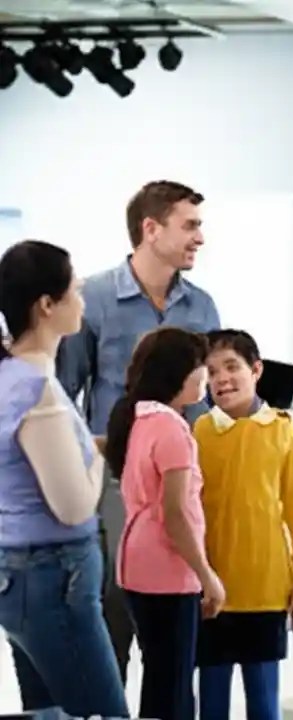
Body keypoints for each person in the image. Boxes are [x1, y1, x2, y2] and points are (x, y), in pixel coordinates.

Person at [56, 180, 221, 684]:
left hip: (181, 479)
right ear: (151, 229)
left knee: (173, 633)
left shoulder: (203, 307)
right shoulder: (94, 298)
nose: (200, 237)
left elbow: (208, 402)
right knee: (113, 615)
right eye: (189, 225)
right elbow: (64, 393)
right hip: (114, 483)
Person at [0, 240, 130, 717]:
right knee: (104, 712)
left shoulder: (9, 377)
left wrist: (86, 448)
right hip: (57, 574)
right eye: (74, 290)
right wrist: (105, 453)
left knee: (49, 712)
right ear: (47, 305)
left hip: (20, 573)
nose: (82, 300)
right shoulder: (40, 391)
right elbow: (74, 505)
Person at [104, 327, 226, 720]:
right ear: (179, 373)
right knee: (173, 685)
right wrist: (207, 575)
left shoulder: (138, 418)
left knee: (159, 678)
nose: (206, 377)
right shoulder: (173, 428)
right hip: (168, 570)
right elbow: (176, 515)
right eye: (201, 368)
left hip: (136, 564)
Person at [194, 329, 293, 720]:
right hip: (212, 591)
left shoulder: (284, 429)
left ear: (256, 370)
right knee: (211, 701)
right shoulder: (199, 432)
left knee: (264, 702)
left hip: (266, 587)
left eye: (232, 367)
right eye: (212, 372)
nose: (222, 379)